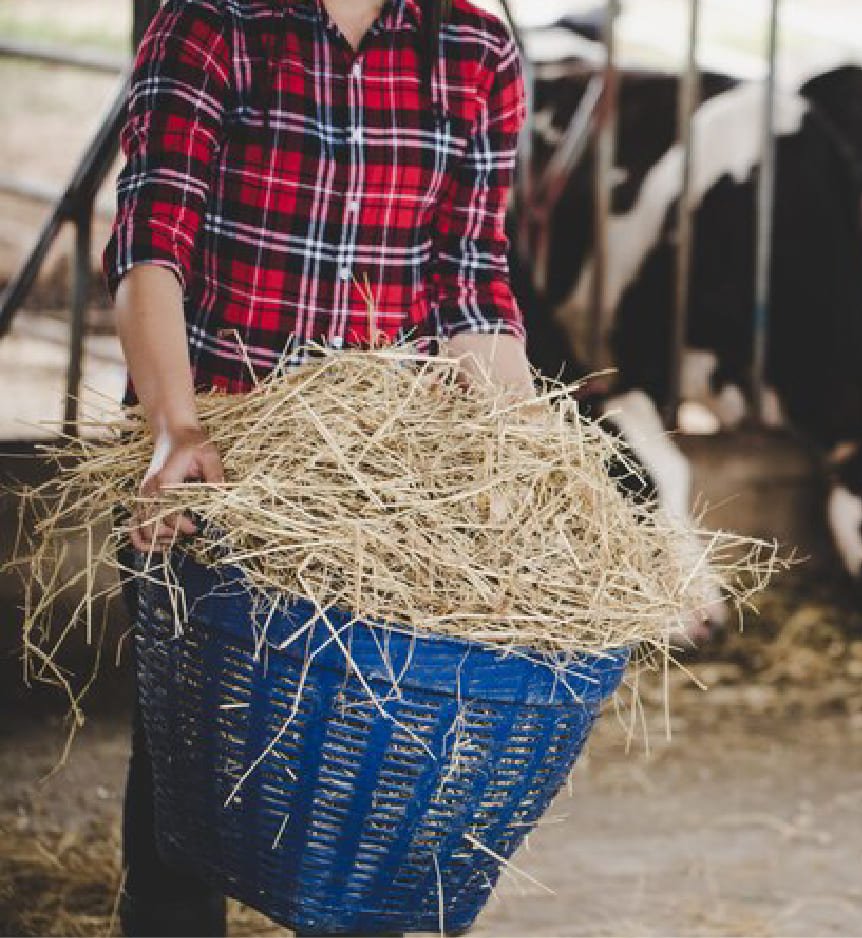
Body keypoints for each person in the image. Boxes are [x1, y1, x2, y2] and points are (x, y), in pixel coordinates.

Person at [105, 0, 534, 933]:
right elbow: (150, 243)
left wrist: (525, 452)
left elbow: (469, 281)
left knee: (375, 770)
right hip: (219, 455)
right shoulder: (212, 22)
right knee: (189, 762)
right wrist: (175, 427)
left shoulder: (475, 47)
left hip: (380, 482)